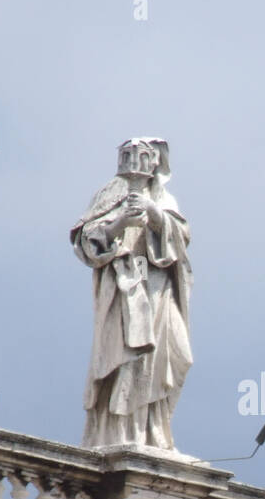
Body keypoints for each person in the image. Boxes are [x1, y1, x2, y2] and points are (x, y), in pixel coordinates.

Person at [70, 138, 193, 449]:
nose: (139, 163)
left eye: (146, 156)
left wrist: (155, 214)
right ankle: (120, 435)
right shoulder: (110, 193)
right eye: (132, 155)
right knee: (125, 359)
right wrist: (119, 222)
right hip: (122, 291)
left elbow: (180, 241)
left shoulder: (166, 199)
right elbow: (86, 240)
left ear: (156, 163)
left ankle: (154, 432)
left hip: (158, 291)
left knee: (174, 355)